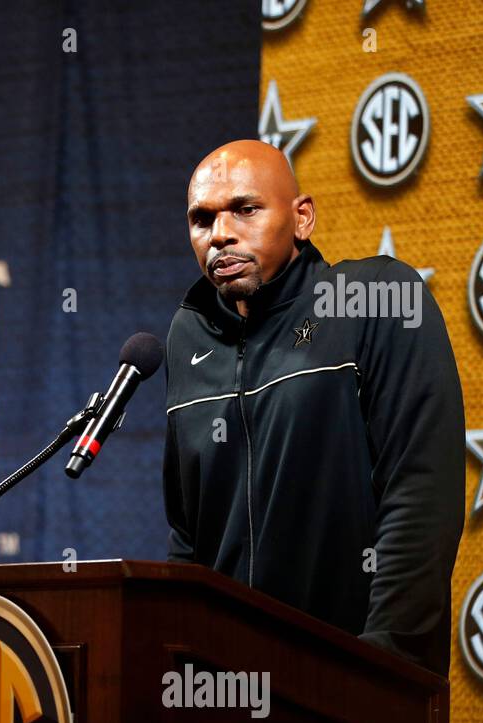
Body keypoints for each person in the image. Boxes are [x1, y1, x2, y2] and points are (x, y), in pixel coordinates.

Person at [162, 139, 464, 676]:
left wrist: (383, 663)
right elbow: (188, 536)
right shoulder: (187, 339)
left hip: (348, 682)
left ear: (303, 218)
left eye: (245, 209)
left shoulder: (374, 299)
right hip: (223, 690)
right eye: (202, 219)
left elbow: (421, 491)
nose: (221, 234)